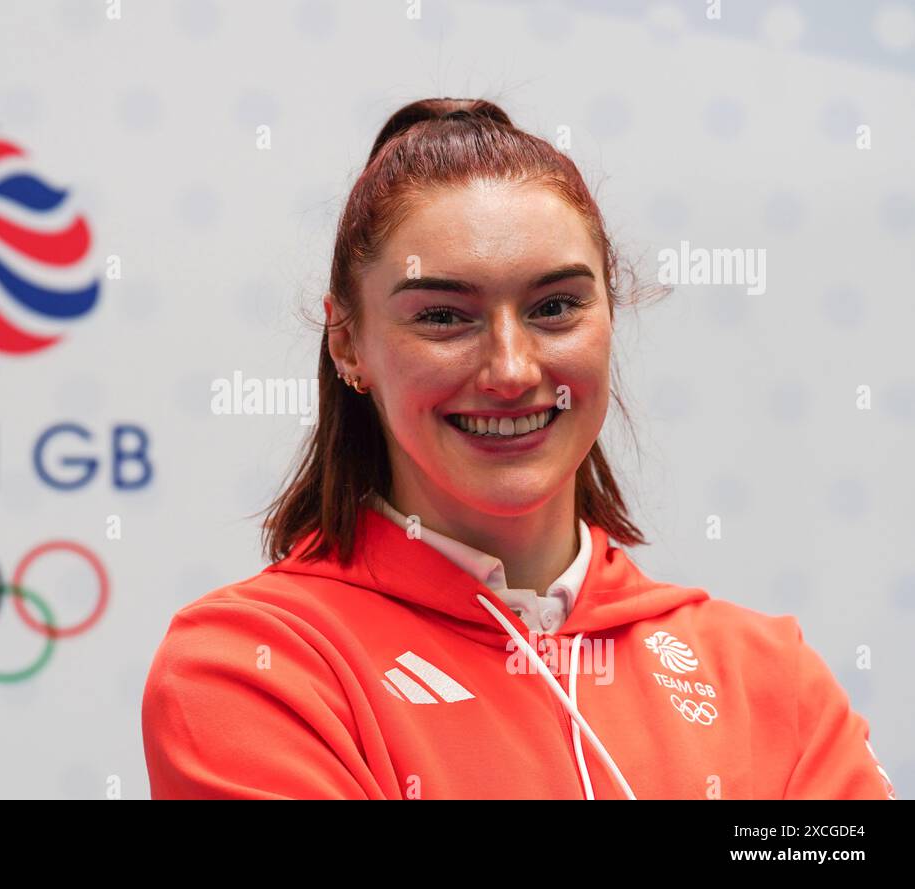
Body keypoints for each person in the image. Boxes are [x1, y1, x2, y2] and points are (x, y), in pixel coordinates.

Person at [140, 97, 896, 800]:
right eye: (443, 315)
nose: (511, 369)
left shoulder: (766, 675)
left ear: (610, 313)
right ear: (348, 343)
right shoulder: (256, 666)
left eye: (555, 306)